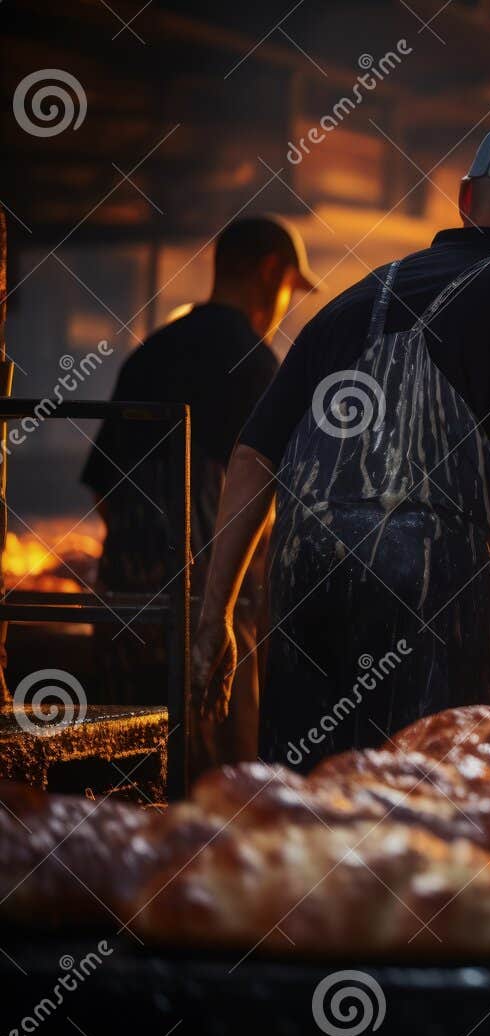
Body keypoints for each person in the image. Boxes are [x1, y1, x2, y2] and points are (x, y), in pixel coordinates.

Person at [191, 123, 490, 767]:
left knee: (308, 797)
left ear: (463, 197)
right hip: (437, 585)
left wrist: (215, 616)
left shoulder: (350, 302)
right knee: (447, 795)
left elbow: (253, 457)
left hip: (303, 579)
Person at [81, 215, 317, 768]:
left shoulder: (149, 355)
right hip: (213, 621)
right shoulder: (258, 365)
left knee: (129, 783)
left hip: (126, 614)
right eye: (288, 288)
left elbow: (103, 489)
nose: (285, 304)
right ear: (269, 273)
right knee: (222, 795)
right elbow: (276, 501)